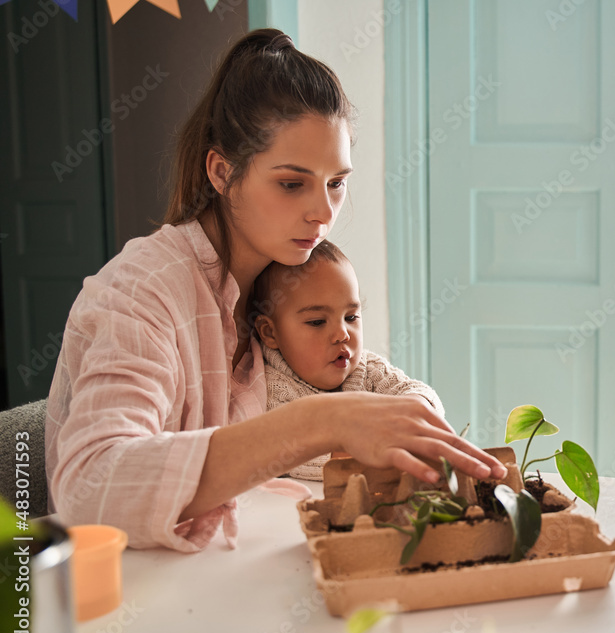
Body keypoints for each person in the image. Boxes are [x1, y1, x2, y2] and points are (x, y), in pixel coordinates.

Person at [45, 29, 505, 552]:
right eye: (292, 183)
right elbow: (89, 485)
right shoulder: (143, 289)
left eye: (336, 182)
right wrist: (320, 421)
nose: (324, 213)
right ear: (222, 171)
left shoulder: (273, 288)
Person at [249, 240, 444, 481]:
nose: (343, 334)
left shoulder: (367, 369)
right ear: (270, 333)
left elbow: (416, 391)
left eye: (351, 317)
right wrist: (368, 451)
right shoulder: (270, 391)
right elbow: (290, 452)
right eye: (318, 322)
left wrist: (413, 407)